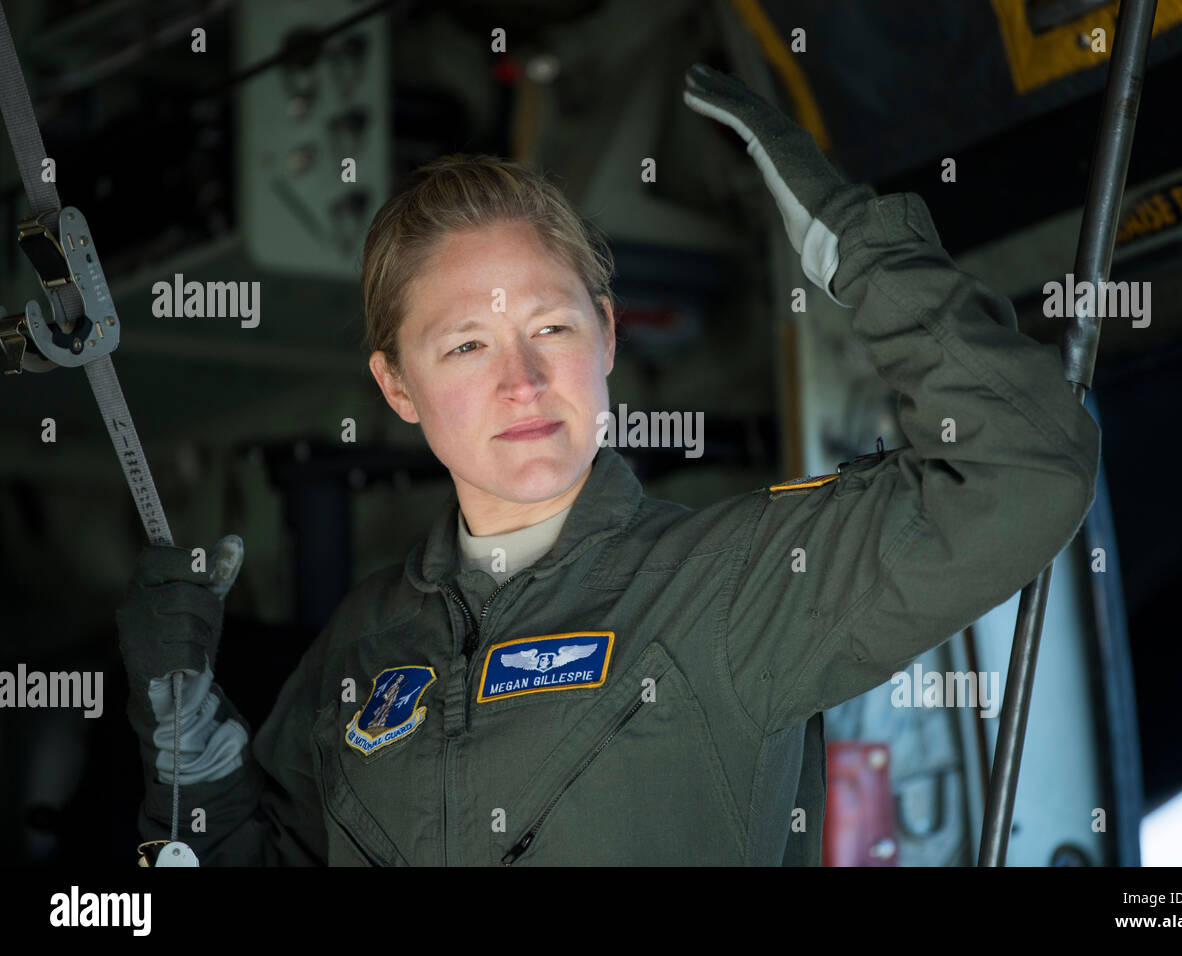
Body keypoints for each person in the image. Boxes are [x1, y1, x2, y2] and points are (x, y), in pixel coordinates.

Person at [115, 64, 1100, 865]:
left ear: (608, 336)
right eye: (465, 345)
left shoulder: (736, 582)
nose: (524, 379)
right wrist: (189, 753)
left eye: (550, 324)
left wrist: (858, 243)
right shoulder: (362, 642)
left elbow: (1025, 468)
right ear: (397, 386)